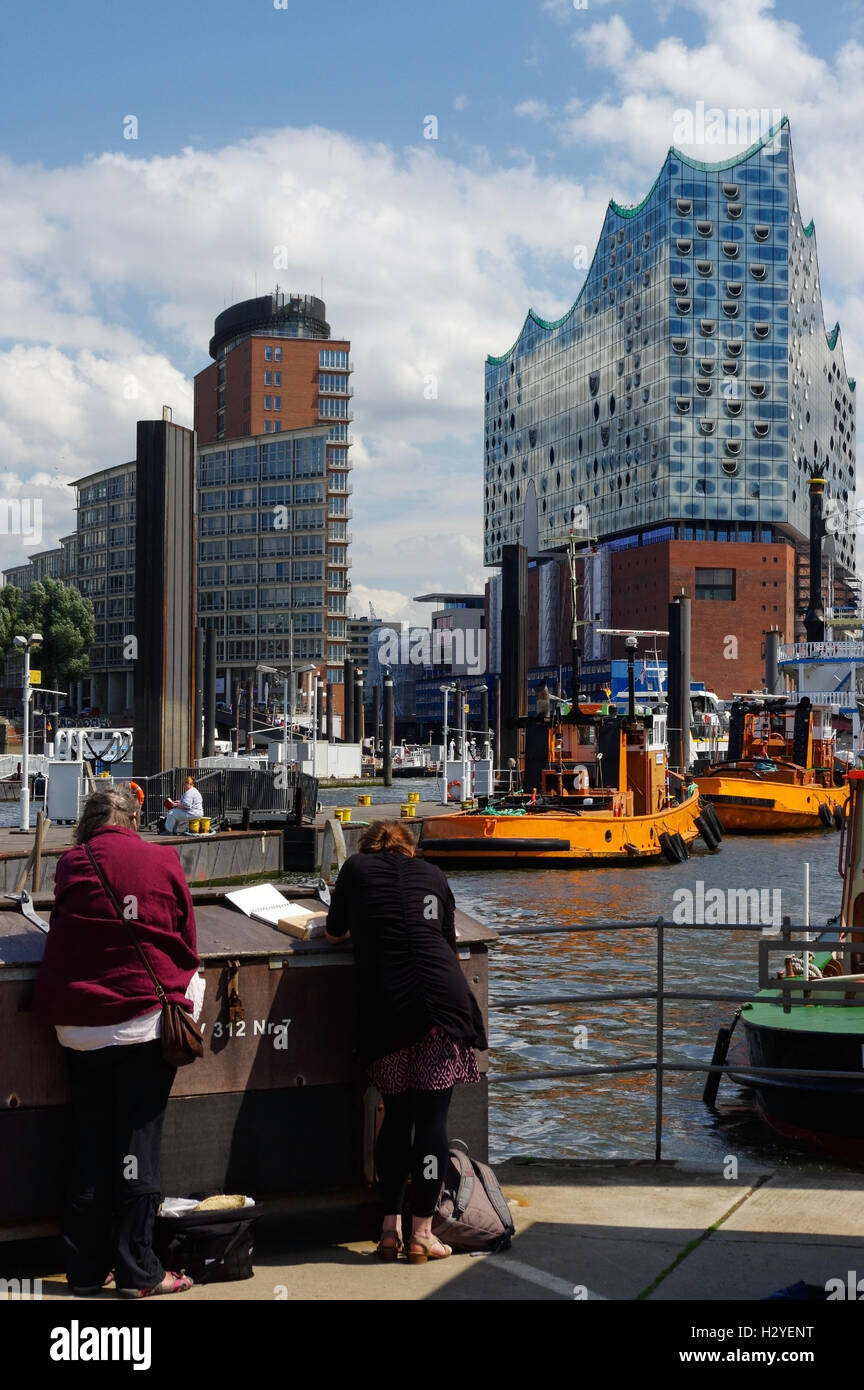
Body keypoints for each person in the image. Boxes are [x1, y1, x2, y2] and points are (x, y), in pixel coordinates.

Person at [33, 785, 203, 1298]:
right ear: (133, 817)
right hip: (142, 1021)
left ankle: (85, 1270)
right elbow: (186, 938)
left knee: (88, 1142)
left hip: (78, 1024)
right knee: (137, 1143)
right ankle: (139, 1270)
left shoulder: (70, 863)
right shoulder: (162, 859)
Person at [325, 819, 486, 1264]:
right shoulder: (433, 875)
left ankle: (389, 1230)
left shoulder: (355, 870)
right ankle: (422, 1233)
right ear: (407, 848)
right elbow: (446, 941)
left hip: (389, 1008)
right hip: (441, 1006)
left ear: (367, 846)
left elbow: (334, 933)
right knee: (432, 1121)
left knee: (396, 1116)